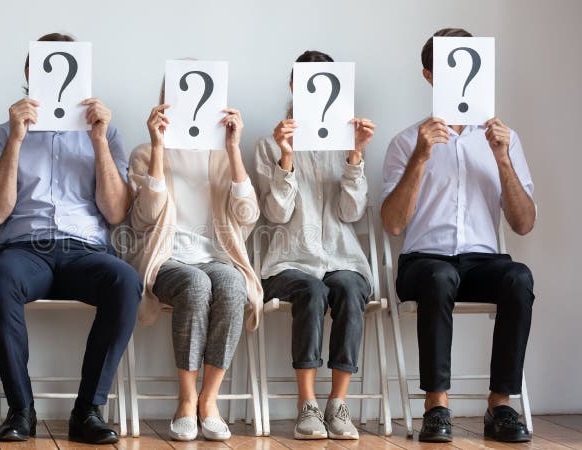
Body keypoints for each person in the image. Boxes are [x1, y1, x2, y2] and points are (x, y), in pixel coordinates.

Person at [0, 32, 141, 444]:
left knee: (125, 280)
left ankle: (87, 411)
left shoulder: (107, 134)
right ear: (29, 74)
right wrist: (17, 139)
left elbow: (116, 212)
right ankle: (21, 410)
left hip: (86, 251)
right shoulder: (1, 134)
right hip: (25, 251)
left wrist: (98, 141)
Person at [381, 28, 535, 443]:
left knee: (519, 277)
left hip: (482, 261)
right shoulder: (405, 142)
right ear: (429, 76)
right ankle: (436, 406)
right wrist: (420, 156)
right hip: (423, 262)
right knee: (439, 276)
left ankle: (500, 405)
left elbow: (523, 223)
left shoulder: (503, 140)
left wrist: (503, 159)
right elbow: (393, 224)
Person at [124, 78, 262, 442]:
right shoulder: (144, 153)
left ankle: (208, 400)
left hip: (215, 256)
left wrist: (233, 149)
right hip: (166, 259)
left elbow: (248, 215)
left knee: (232, 284)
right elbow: (144, 217)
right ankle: (186, 401)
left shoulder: (223, 156)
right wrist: (158, 147)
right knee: (196, 284)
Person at [254, 50, 376, 440]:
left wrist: (354, 156)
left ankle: (338, 403)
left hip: (342, 259)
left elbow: (351, 212)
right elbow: (275, 213)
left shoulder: (344, 145)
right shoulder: (269, 145)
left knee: (351, 287)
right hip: (289, 263)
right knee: (311, 288)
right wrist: (286, 158)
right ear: (295, 86)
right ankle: (306, 403)